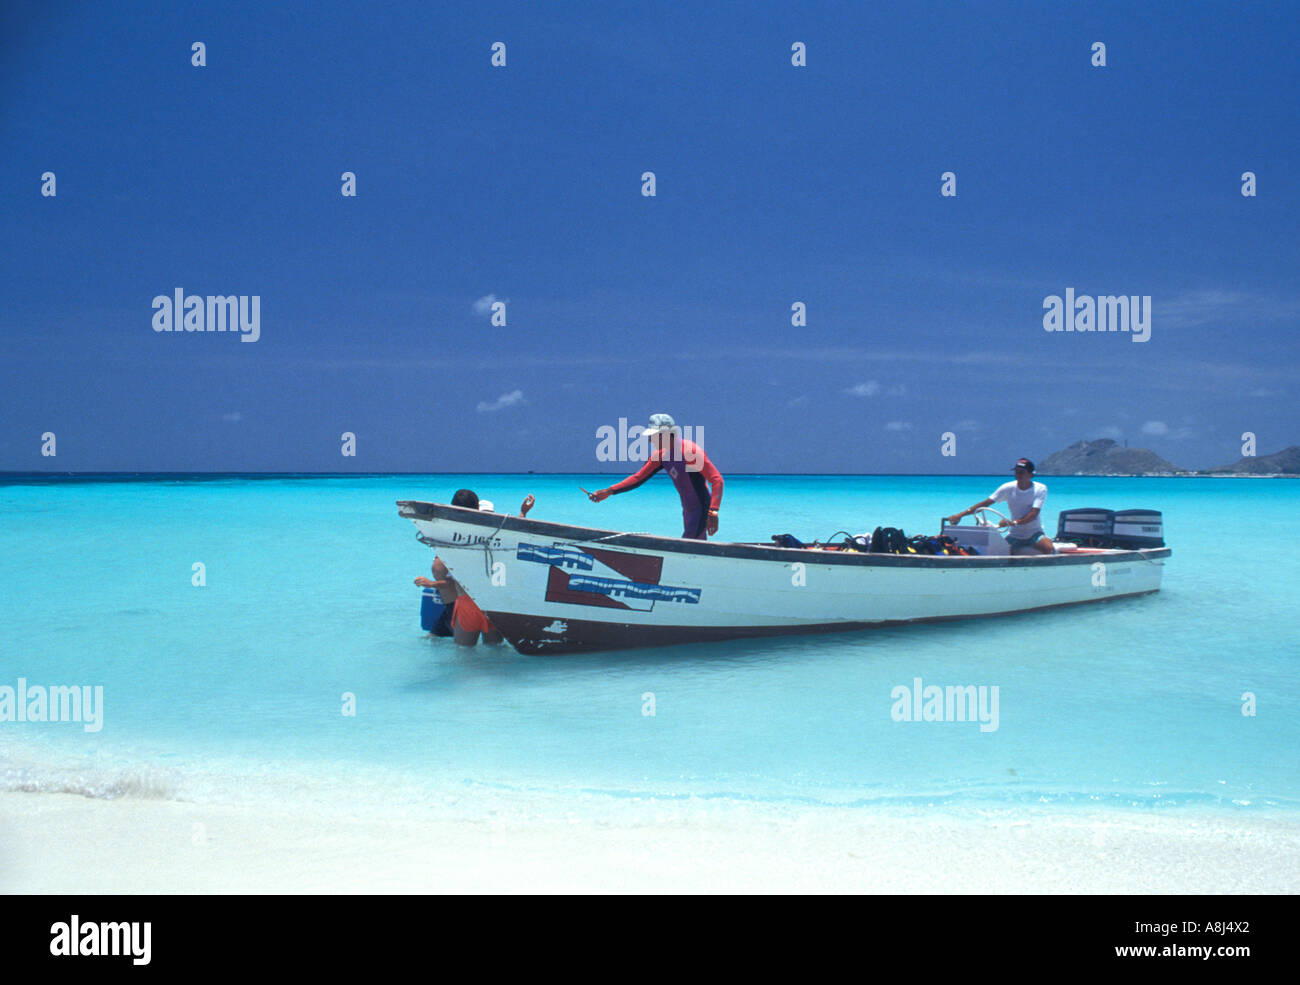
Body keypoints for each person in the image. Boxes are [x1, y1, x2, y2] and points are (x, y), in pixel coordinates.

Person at [588, 414, 723, 539]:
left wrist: (713, 512)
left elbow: (716, 480)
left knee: (689, 546)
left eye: (652, 435)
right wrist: (608, 491)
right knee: (695, 548)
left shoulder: (690, 452)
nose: (649, 440)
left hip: (701, 510)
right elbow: (637, 478)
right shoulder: (661, 456)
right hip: (688, 511)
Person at [946, 458, 1054, 554]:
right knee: (999, 553)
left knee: (1049, 549)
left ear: (1031, 475)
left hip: (1034, 533)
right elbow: (985, 503)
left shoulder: (1040, 489)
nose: (1018, 475)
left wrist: (1012, 523)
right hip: (1015, 535)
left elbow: (1033, 515)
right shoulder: (1007, 487)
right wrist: (960, 515)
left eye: (1022, 472)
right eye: (1016, 472)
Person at [414, 556, 503, 646]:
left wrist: (432, 584)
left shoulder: (452, 556)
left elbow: (454, 581)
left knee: (464, 651)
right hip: (495, 604)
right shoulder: (496, 556)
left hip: (465, 606)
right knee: (495, 648)